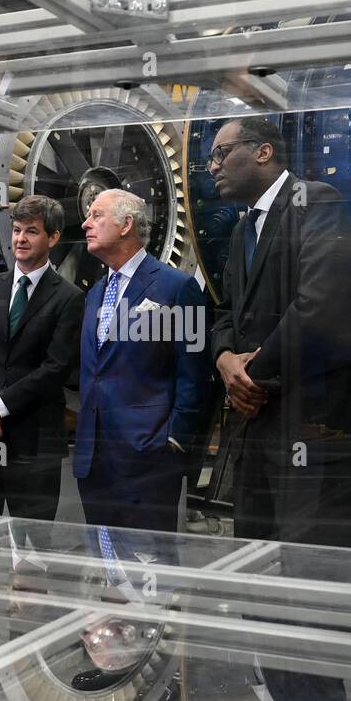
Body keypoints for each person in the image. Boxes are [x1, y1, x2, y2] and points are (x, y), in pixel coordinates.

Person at [206, 116, 351, 701]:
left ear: (264, 151)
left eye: (223, 152)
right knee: (263, 575)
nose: (211, 165)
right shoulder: (244, 228)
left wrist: (255, 370)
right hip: (259, 425)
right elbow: (223, 310)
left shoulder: (315, 205)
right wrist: (224, 360)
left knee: (311, 578)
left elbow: (322, 305)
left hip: (312, 424)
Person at [72, 189, 210, 534]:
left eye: (96, 215)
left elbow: (195, 373)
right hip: (94, 463)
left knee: (148, 574)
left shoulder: (178, 288)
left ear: (126, 225)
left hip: (149, 462)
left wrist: (175, 442)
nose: (86, 223)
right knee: (106, 568)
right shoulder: (94, 294)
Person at [0, 196, 84, 523]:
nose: (20, 239)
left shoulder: (69, 299)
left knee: (32, 553)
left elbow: (55, 368)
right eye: (16, 230)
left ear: (53, 238)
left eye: (32, 231)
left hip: (35, 446)